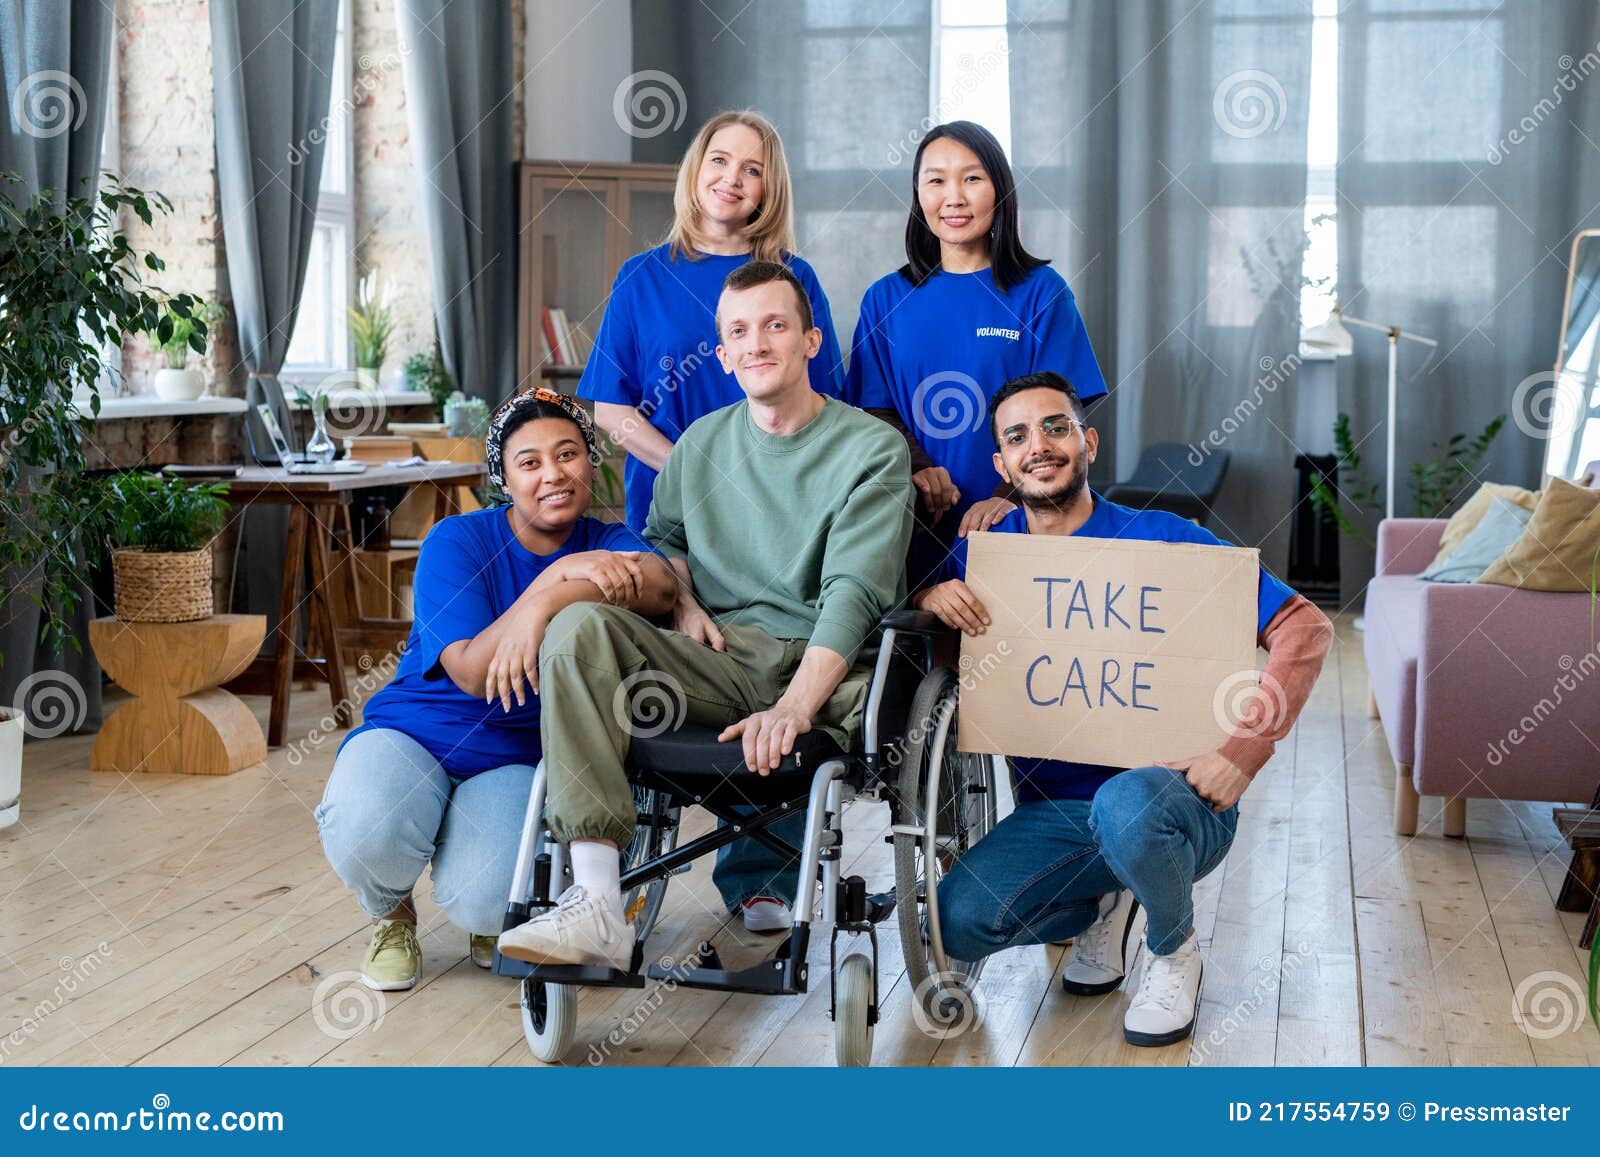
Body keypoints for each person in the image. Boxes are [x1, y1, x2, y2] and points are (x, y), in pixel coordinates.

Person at [497, 260, 914, 970]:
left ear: (811, 340)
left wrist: (793, 708)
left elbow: (855, 593)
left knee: (818, 647)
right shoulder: (698, 446)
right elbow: (665, 546)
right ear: (722, 354)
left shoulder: (872, 449)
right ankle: (597, 902)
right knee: (578, 627)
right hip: (718, 660)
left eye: (775, 325)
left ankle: (740, 882)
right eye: (739, 332)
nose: (758, 344)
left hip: (818, 665)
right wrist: (684, 599)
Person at [912, 372, 1333, 1046]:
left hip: (1178, 801)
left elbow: (1305, 628)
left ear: (1089, 443)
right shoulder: (988, 556)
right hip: (1057, 814)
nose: (1038, 446)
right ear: (1001, 465)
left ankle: (1174, 951)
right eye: (1018, 436)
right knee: (957, 921)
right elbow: (927, 632)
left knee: (1125, 804)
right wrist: (932, 601)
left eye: (1055, 427)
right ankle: (1104, 902)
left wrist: (1243, 752)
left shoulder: (1165, 539)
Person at [316, 389, 677, 992]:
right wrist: (553, 583)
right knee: (366, 831)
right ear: (504, 481)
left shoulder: (610, 542)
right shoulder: (457, 540)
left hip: (516, 755)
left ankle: (481, 916)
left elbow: (662, 587)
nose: (552, 474)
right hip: (417, 732)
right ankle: (392, 915)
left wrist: (554, 590)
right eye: (529, 463)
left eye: (567, 454)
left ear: (591, 464)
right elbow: (472, 671)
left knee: (489, 901)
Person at [579, 112, 845, 929]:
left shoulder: (792, 278)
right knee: (638, 664)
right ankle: (609, 865)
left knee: (766, 657)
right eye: (720, 161)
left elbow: (827, 403)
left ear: (770, 188)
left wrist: (750, 479)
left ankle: (760, 872)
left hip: (778, 525)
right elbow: (611, 407)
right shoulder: (642, 278)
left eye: (753, 168)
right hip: (666, 518)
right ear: (695, 171)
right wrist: (695, 470)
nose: (733, 178)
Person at [845, 121, 1107, 582]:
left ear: (999, 189)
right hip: (912, 527)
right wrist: (921, 469)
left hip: (1023, 527)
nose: (954, 198)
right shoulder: (885, 300)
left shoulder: (1041, 293)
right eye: (936, 180)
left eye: (972, 178)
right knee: (918, 620)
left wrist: (1008, 498)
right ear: (918, 194)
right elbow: (872, 412)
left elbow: (1062, 417)